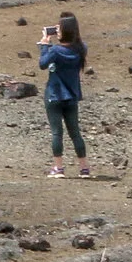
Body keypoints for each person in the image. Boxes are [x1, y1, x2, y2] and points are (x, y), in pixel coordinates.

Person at [37, 12, 90, 178]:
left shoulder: (55, 51)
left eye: (59, 28)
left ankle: (58, 168)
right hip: (72, 96)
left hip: (54, 94)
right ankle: (84, 168)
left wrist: (44, 45)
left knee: (56, 132)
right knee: (75, 132)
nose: (56, 30)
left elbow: (42, 64)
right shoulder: (81, 49)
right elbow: (77, 44)